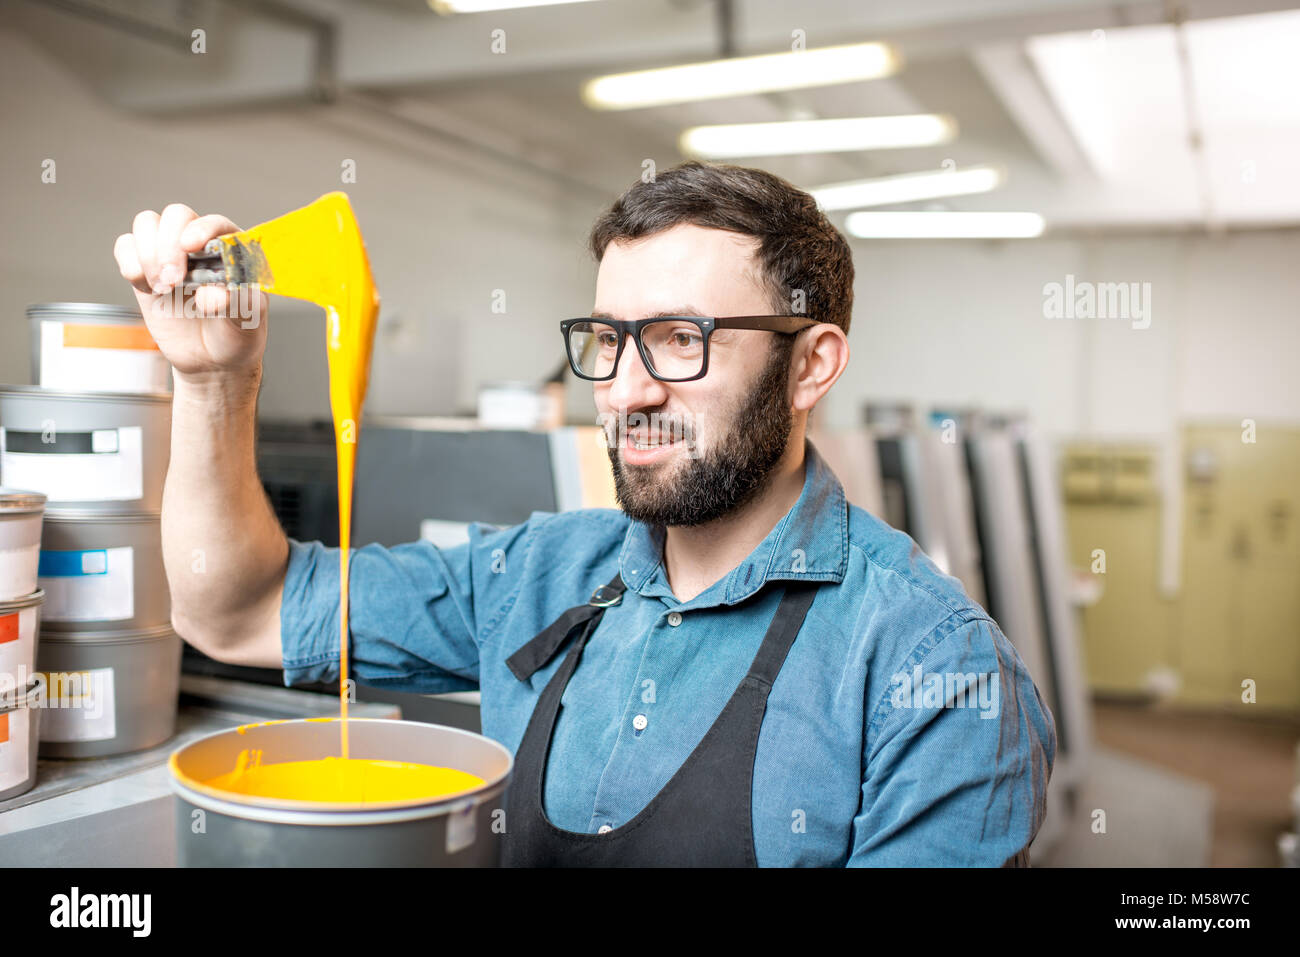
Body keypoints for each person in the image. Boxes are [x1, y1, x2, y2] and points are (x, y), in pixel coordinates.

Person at [115, 160, 1055, 867]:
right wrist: (212, 377)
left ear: (811, 364)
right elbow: (232, 609)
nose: (625, 391)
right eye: (607, 340)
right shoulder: (539, 577)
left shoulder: (934, 670)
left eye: (682, 340)